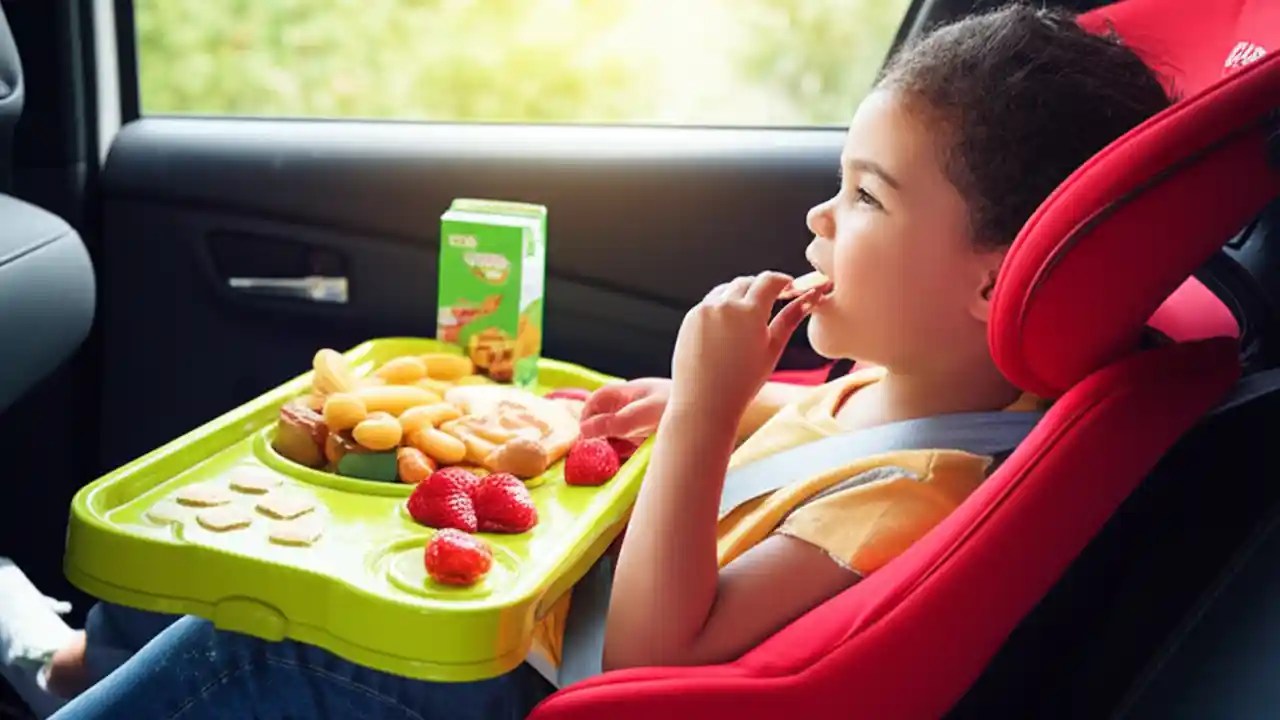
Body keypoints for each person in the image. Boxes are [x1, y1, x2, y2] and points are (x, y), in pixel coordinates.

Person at [0, 4, 1172, 718]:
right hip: (526, 626)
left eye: (863, 197)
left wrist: (708, 413)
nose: (817, 222)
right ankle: (72, 658)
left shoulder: (912, 498)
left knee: (260, 633)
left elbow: (660, 655)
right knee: (266, 573)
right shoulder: (904, 389)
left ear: (995, 279)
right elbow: (819, 428)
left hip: (498, 687)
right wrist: (707, 399)